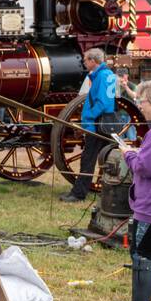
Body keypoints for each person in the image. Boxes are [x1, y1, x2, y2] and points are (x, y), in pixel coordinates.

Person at [116, 79, 151, 301]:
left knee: (142, 254)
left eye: (142, 101)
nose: (140, 106)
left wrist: (128, 155)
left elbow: (147, 168)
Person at [61, 48, 119, 203]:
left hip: (98, 124)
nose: (84, 62)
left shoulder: (105, 76)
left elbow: (105, 103)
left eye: (86, 59)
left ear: (93, 61)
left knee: (88, 159)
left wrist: (88, 116)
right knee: (103, 159)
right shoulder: (100, 75)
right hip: (96, 124)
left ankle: (78, 194)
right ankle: (109, 191)